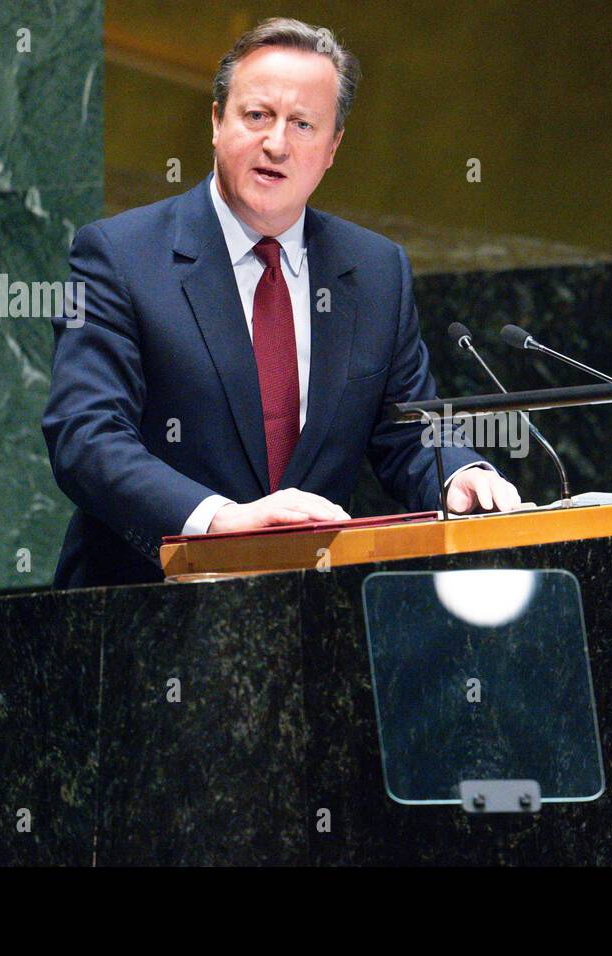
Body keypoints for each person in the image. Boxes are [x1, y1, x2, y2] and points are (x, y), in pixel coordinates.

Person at [42, 17, 520, 588]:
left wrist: (456, 471)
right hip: (144, 608)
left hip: (314, 612)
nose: (276, 144)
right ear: (216, 122)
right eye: (256, 116)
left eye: (302, 124)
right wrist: (220, 521)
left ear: (333, 147)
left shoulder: (374, 271)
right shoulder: (119, 255)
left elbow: (406, 431)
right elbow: (86, 436)